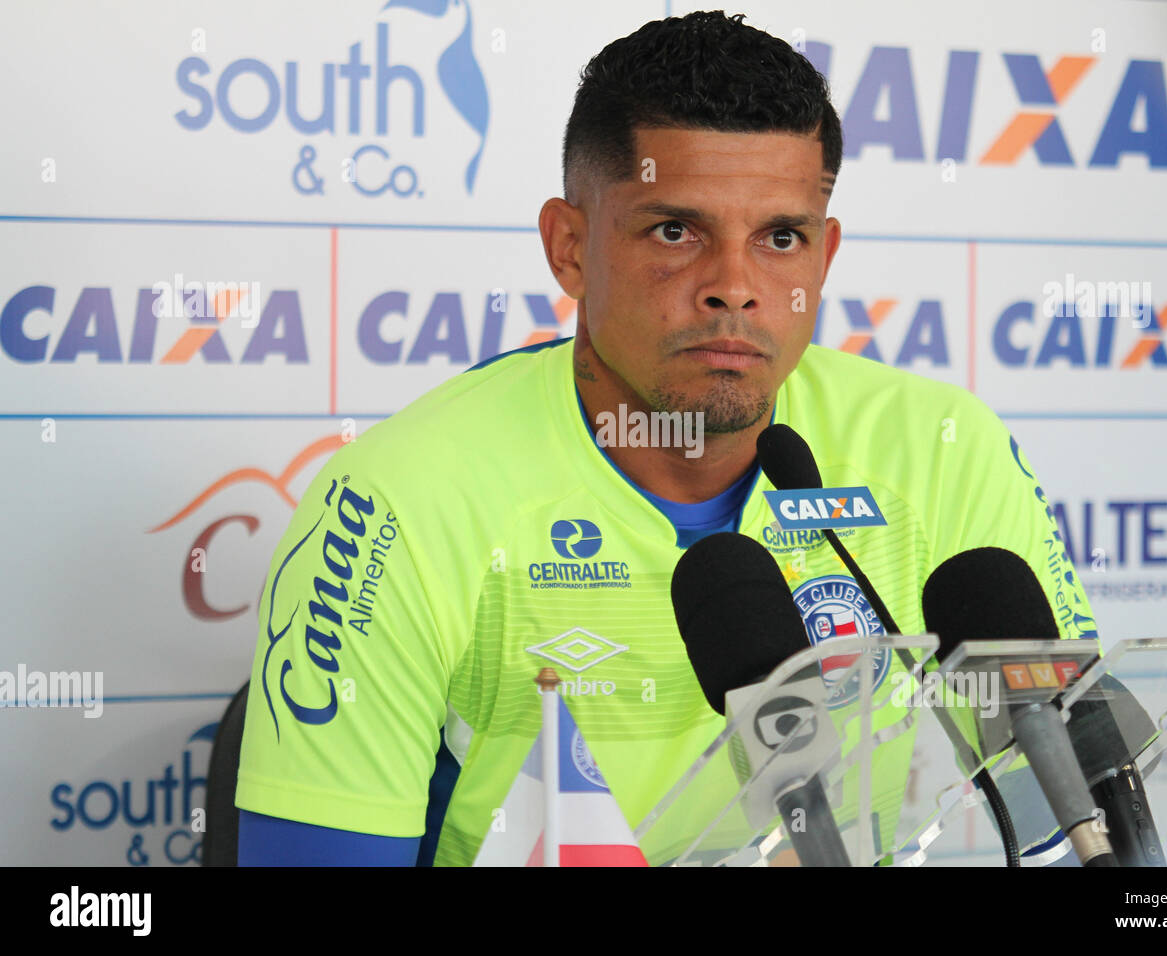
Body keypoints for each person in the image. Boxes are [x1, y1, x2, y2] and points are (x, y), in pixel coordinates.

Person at [235, 10, 1097, 866]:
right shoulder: (399, 499)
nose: (734, 287)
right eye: (676, 232)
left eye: (781, 238)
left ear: (824, 257)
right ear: (569, 248)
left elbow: (1076, 800)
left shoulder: (942, 449)